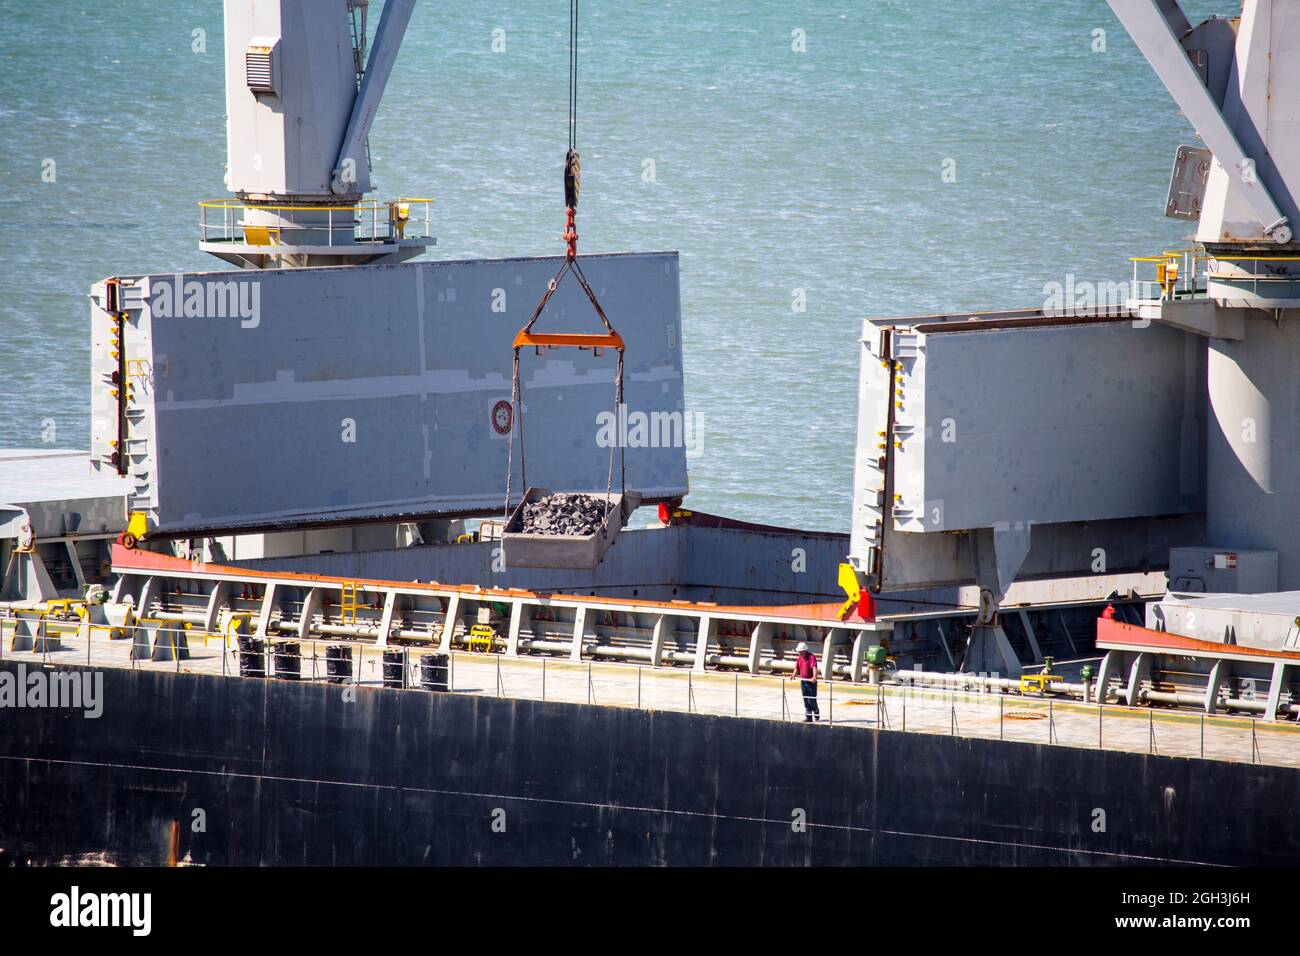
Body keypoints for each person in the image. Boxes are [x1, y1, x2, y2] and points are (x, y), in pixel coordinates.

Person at [794, 642, 820, 722]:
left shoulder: (811, 657)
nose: (799, 653)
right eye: (799, 652)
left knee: (811, 699)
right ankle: (808, 717)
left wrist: (814, 677)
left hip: (811, 682)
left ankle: (816, 711)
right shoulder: (799, 658)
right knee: (805, 698)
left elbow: (814, 667)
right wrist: (793, 674)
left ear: (805, 651)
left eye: (801, 652)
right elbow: (797, 668)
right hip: (803, 681)